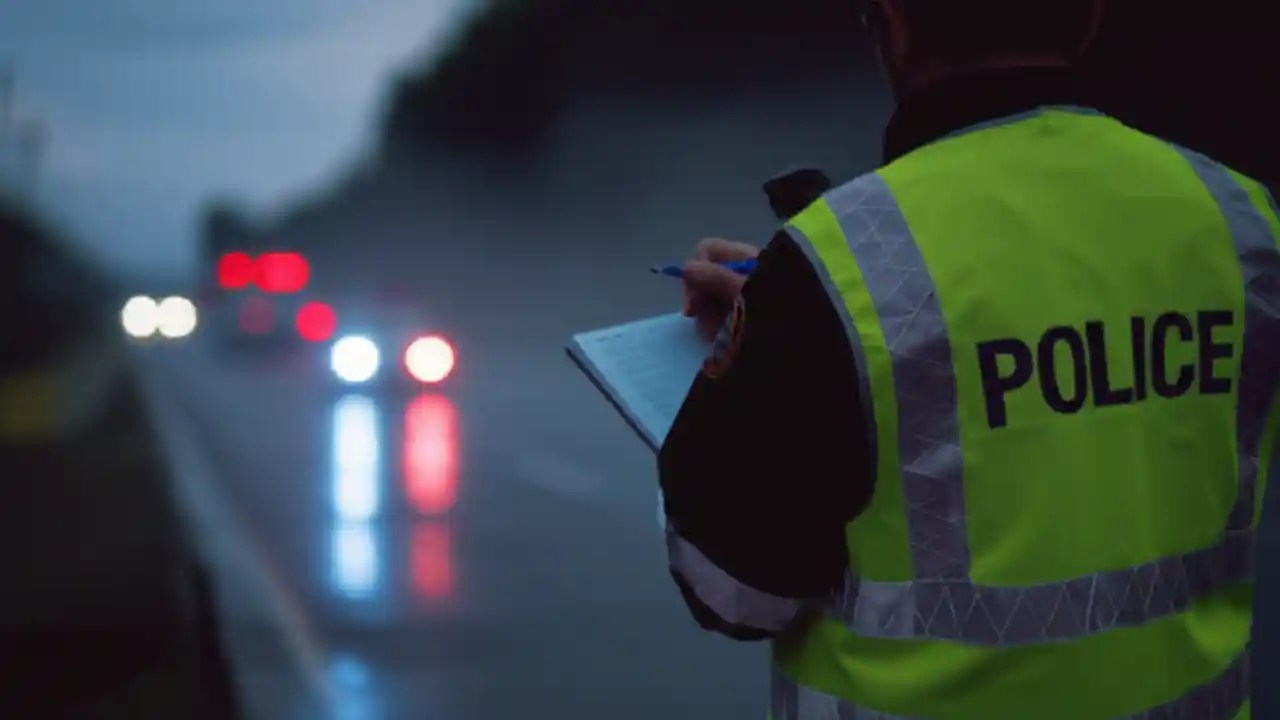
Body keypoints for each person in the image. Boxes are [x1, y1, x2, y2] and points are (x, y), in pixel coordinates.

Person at [657, 0, 1280, 717]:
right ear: (1090, 16)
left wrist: (774, 347)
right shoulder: (1240, 224)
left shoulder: (832, 267)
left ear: (892, 21)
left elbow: (730, 593)